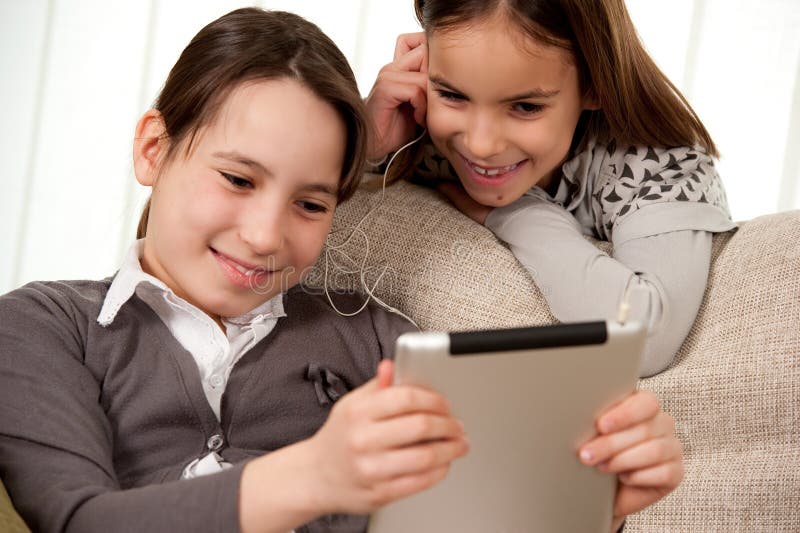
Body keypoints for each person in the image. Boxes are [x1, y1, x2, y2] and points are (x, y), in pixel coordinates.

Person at [0, 7, 681, 533]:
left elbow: (469, 512)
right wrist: (311, 475)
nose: (266, 235)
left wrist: (591, 497)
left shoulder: (378, 338)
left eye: (311, 202)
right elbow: (78, 520)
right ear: (153, 148)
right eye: (238, 179)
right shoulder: (46, 327)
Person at [366, 0, 736, 378]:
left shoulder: (660, 165)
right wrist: (365, 143)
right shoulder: (411, 127)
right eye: (453, 95)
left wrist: (521, 212)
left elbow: (643, 340)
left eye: (525, 107)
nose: (480, 145)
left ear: (595, 84)